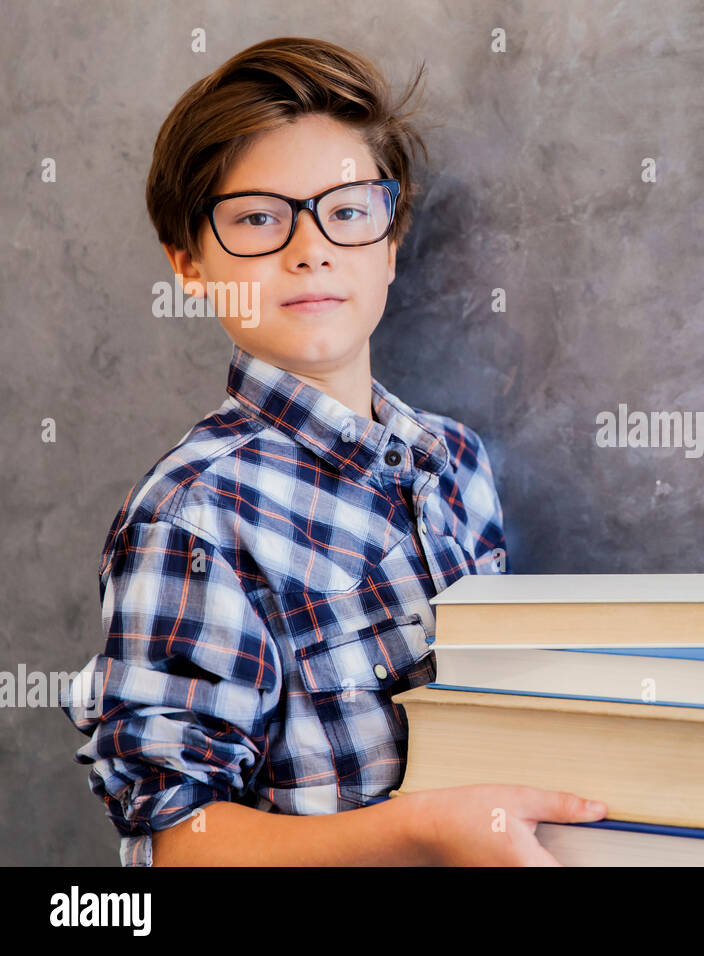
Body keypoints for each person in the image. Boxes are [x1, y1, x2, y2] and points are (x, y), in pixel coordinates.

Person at [62, 36, 605, 866]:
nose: (309, 247)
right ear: (190, 265)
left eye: (347, 210)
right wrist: (421, 832)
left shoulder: (456, 461)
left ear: (390, 240)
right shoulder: (196, 516)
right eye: (256, 218)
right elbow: (176, 840)